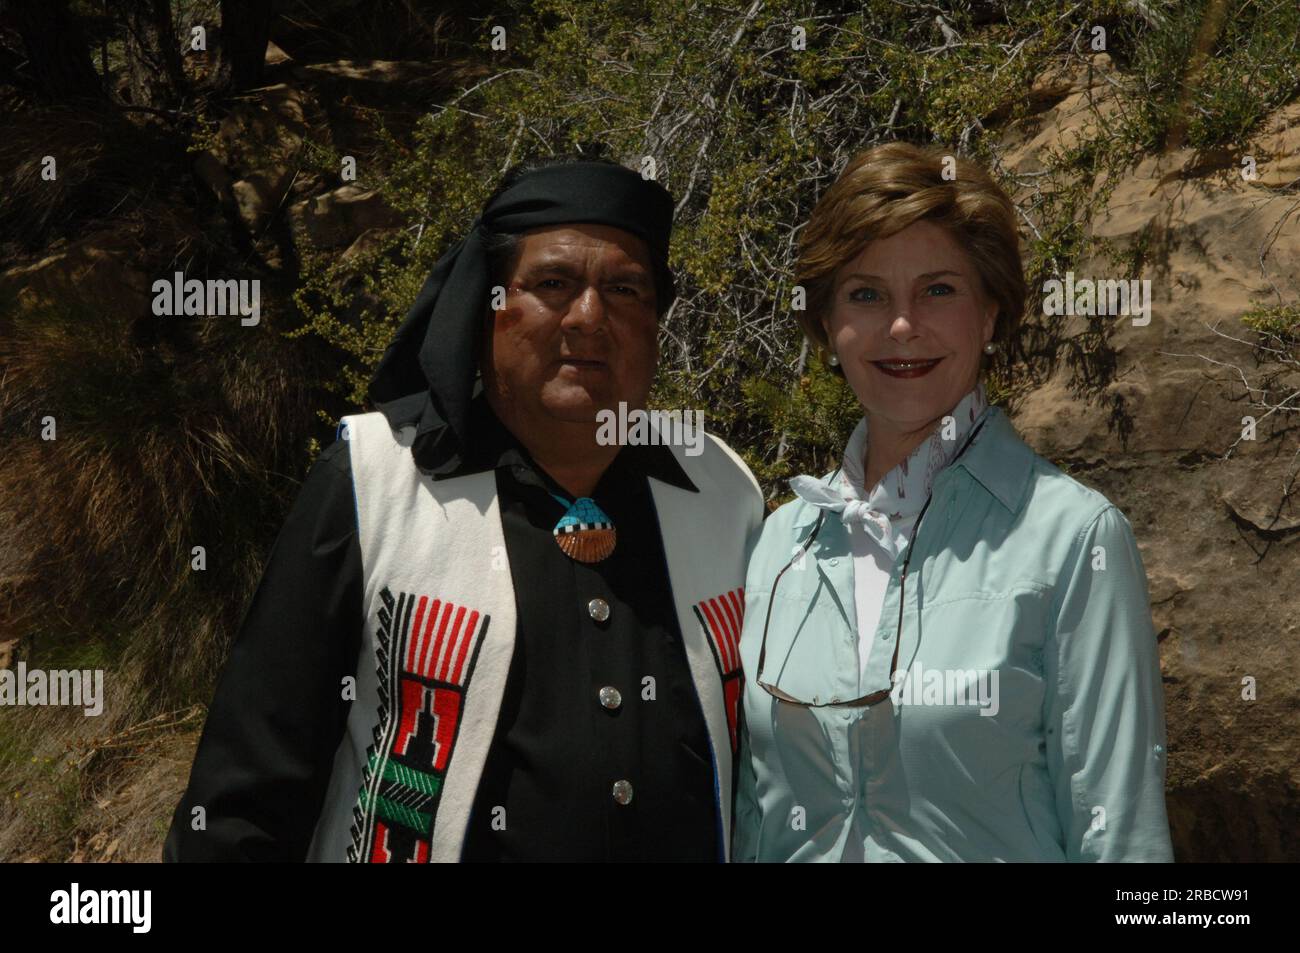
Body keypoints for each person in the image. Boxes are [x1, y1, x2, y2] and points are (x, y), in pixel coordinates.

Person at [164, 154, 764, 862]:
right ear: (489, 305)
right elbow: (245, 798)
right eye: (552, 283)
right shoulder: (376, 482)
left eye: (626, 288)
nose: (590, 317)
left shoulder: (721, 489)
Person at [733, 141, 1173, 862]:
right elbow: (756, 823)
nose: (902, 325)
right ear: (826, 324)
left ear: (992, 313)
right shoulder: (779, 547)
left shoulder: (1072, 539)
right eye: (866, 293)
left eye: (938, 289)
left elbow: (1122, 837)